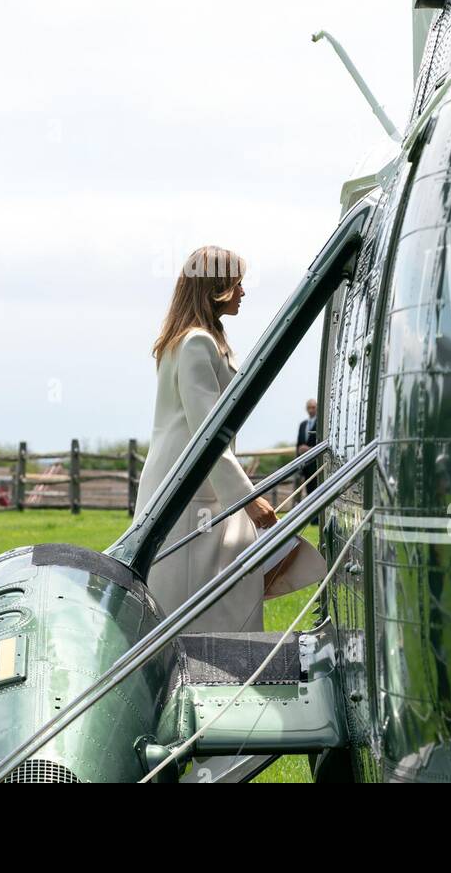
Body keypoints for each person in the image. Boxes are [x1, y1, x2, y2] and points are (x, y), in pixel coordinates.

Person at [133, 245, 324, 631]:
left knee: (225, 591)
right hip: (191, 490)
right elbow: (206, 434)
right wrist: (249, 501)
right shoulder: (195, 344)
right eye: (237, 283)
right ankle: (212, 672)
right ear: (216, 286)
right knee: (214, 598)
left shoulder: (196, 341)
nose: (242, 292)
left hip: (197, 488)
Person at [295, 398, 319, 498]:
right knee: (309, 494)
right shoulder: (302, 425)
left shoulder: (321, 422)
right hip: (305, 465)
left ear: (317, 408)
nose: (311, 410)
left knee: (317, 493)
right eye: (309, 408)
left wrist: (309, 450)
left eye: (313, 407)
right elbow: (298, 443)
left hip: (317, 465)